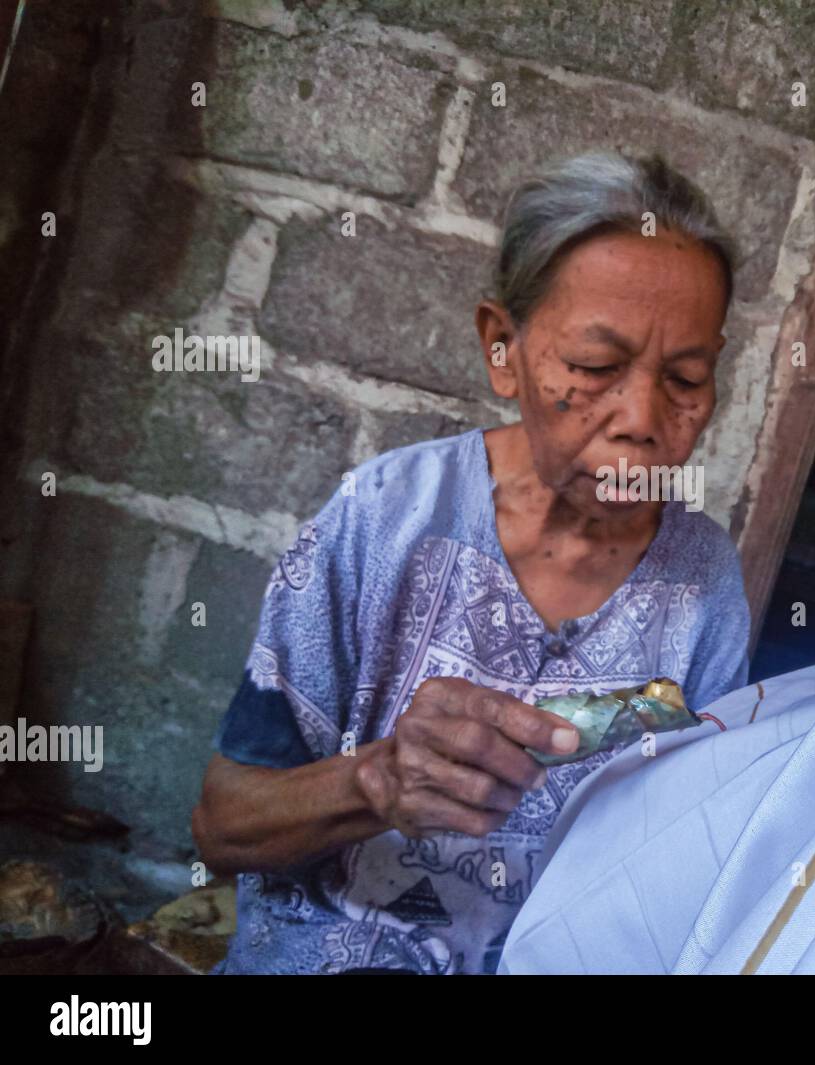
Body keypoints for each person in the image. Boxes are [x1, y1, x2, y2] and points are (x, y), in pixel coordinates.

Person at [191, 149, 752, 974]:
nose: (642, 417)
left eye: (687, 378)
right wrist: (374, 781)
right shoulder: (384, 517)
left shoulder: (704, 586)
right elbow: (221, 826)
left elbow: (683, 862)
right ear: (502, 348)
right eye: (595, 367)